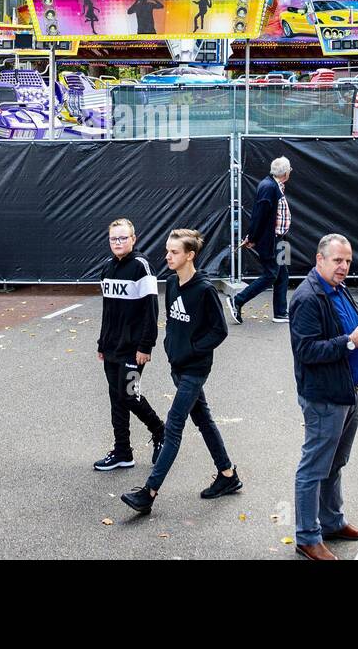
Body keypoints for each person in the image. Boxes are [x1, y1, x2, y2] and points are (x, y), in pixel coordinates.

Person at [288, 234, 358, 560]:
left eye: (348, 261)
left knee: (335, 463)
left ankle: (332, 523)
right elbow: (307, 350)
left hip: (347, 391)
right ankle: (307, 537)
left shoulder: (337, 289)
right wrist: (351, 342)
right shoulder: (307, 298)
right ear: (319, 259)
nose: (344, 267)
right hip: (324, 397)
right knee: (314, 468)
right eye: (338, 260)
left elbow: (348, 324)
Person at [121, 229, 239, 514]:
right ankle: (227, 475)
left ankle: (148, 493)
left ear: (190, 255)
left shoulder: (205, 290)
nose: (168, 256)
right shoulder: (172, 284)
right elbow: (173, 323)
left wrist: (193, 349)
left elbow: (219, 331)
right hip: (178, 365)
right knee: (204, 420)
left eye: (174, 252)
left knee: (174, 426)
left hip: (195, 370)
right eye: (167, 251)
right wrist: (171, 346)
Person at [94, 219, 165, 471]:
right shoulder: (106, 268)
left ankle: (161, 432)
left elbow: (151, 310)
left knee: (129, 394)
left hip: (134, 350)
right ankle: (123, 451)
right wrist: (103, 343)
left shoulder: (142, 267)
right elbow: (108, 311)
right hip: (112, 348)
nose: (118, 243)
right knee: (116, 397)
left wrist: (146, 346)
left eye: (123, 238)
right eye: (114, 239)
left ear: (133, 239)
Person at [228, 157, 292, 324]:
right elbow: (259, 215)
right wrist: (252, 237)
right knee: (271, 274)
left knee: (283, 274)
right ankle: (238, 300)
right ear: (285, 173)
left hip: (282, 240)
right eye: (290, 170)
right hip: (273, 241)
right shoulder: (268, 187)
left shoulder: (276, 186)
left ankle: (280, 313)